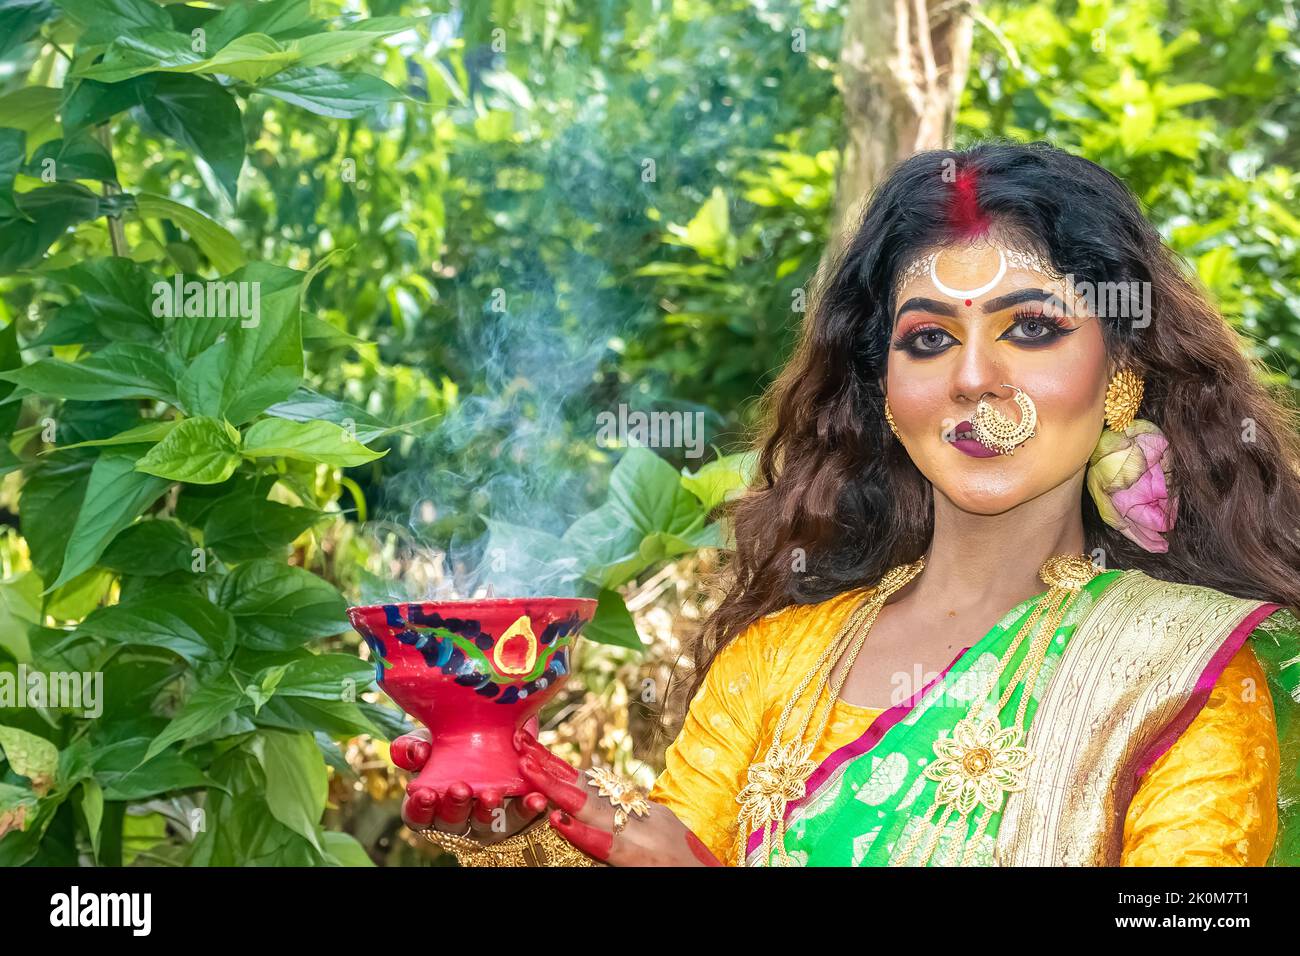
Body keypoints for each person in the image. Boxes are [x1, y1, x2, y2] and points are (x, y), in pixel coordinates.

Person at [391, 141, 1300, 867]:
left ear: (1121, 375)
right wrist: (523, 838)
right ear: (881, 390)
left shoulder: (1183, 675)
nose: (974, 379)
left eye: (1032, 328)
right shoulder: (777, 662)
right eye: (929, 339)